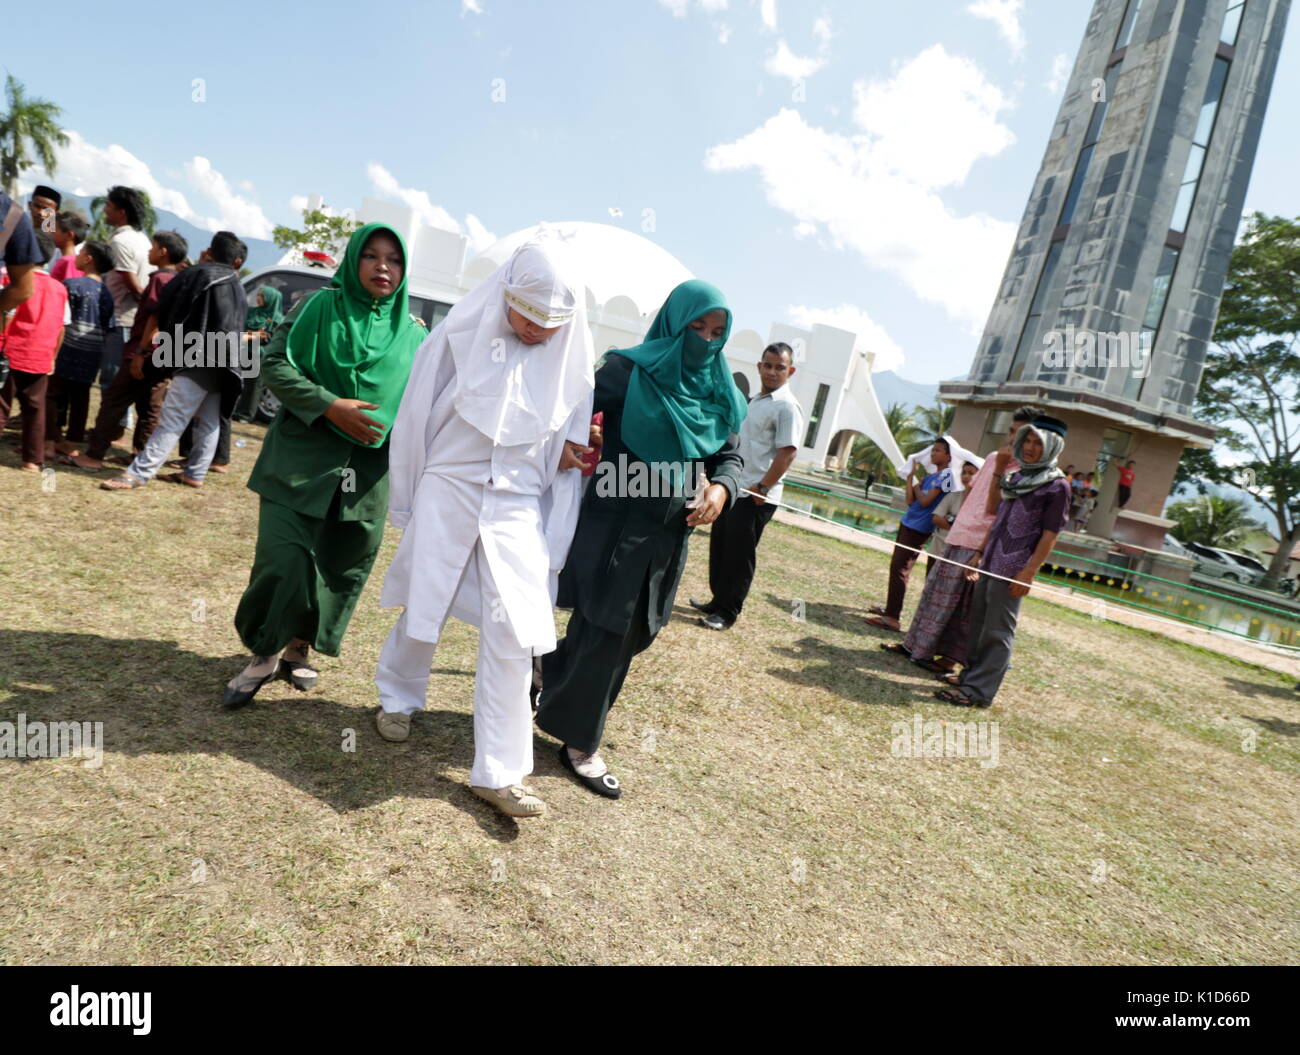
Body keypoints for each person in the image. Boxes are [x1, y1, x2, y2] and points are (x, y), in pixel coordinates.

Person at [376, 239, 595, 820]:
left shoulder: (573, 366)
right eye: (526, 314)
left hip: (517, 504)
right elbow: (417, 417)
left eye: (551, 323)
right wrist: (409, 498)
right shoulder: (455, 337)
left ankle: (498, 771)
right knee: (428, 599)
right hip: (450, 484)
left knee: (516, 632)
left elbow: (563, 451)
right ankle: (397, 697)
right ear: (505, 295)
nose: (535, 330)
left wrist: (567, 462)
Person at [534, 280, 746, 799]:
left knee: (633, 632)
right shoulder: (627, 371)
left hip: (671, 535)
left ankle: (545, 671)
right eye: (695, 327)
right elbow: (567, 410)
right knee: (609, 628)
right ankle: (580, 743)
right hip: (616, 525)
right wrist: (580, 440)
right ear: (673, 322)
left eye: (717, 332)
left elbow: (730, 457)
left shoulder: (720, 390)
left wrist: (722, 488)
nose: (705, 340)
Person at [224, 222, 422, 711]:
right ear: (353, 260)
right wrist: (331, 406)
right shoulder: (319, 307)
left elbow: (433, 402)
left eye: (393, 260)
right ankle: (265, 650)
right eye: (371, 256)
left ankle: (299, 647)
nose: (382, 267)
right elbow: (274, 364)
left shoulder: (417, 335)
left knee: (337, 566)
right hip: (300, 462)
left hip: (368, 476)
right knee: (283, 559)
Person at [882, 406, 1041, 677]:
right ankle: (914, 646)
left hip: (979, 543)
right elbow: (972, 496)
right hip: (958, 536)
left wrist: (1000, 471)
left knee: (958, 606)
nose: (1013, 439)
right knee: (933, 594)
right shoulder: (993, 458)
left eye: (1023, 435)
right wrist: (959, 523)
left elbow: (994, 508)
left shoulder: (1025, 473)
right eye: (1012, 432)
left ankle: (947, 660)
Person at [935, 416, 1072, 708]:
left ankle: (979, 691)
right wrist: (981, 552)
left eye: (1039, 443)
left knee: (998, 630)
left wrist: (1029, 572)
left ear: (1053, 446)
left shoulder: (1057, 486)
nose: (1032, 447)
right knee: (979, 623)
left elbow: (1050, 535)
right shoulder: (1019, 477)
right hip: (991, 558)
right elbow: (996, 515)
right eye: (1029, 440)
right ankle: (969, 677)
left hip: (1014, 568)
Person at [99, 231, 247, 490]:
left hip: (197, 356)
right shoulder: (237, 286)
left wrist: (144, 351)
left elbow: (160, 313)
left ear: (210, 251)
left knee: (173, 417)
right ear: (236, 261)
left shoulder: (200, 274)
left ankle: (138, 473)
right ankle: (195, 473)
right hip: (227, 361)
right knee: (209, 419)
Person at [691, 341, 802, 631]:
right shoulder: (754, 401)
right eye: (768, 365)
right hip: (733, 488)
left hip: (756, 495)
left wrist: (763, 487)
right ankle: (717, 601)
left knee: (740, 555)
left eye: (780, 367)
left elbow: (787, 452)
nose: (773, 372)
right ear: (759, 366)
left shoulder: (787, 406)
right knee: (722, 546)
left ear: (791, 371)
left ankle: (727, 612)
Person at [66, 230, 188, 470]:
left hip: (145, 351)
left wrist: (140, 354)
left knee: (114, 400)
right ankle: (140, 455)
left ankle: (93, 456)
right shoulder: (179, 281)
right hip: (165, 353)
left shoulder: (159, 280)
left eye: (152, 248)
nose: (148, 252)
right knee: (149, 406)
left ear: (163, 252)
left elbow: (154, 318)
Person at [865, 439, 954, 631]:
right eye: (932, 451)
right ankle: (890, 609)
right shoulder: (931, 477)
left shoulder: (946, 477)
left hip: (920, 528)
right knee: (896, 566)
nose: (933, 454)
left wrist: (916, 487)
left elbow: (925, 501)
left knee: (900, 568)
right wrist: (910, 479)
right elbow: (910, 501)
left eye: (938, 451)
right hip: (908, 522)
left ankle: (893, 617)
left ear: (948, 456)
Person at [0, 231, 68, 470]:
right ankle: (32, 460)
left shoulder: (10, 278)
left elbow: (6, 313)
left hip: (11, 351)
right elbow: (61, 327)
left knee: (1, 404)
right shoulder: (60, 289)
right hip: (41, 355)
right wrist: (53, 357)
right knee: (35, 409)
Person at [46, 241, 115, 453]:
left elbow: (60, 319)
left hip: (67, 349)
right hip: (92, 353)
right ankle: (72, 443)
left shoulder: (72, 285)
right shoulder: (107, 294)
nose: (76, 254)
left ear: (89, 259)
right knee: (80, 396)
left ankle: (48, 440)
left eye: (81, 252)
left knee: (52, 392)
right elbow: (109, 326)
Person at [100, 187, 153, 395]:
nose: (104, 210)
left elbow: (131, 281)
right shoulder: (143, 240)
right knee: (119, 375)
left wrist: (147, 301)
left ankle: (111, 426)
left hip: (120, 317)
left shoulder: (121, 242)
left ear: (121, 213)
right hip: (132, 317)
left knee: (112, 376)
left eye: (108, 206)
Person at [232, 286, 284, 423]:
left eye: (262, 296)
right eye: (259, 295)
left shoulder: (277, 319)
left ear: (271, 299)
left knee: (253, 386)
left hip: (260, 355)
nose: (258, 298)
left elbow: (269, 337)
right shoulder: (252, 311)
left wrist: (253, 335)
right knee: (236, 381)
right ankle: (234, 410)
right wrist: (255, 334)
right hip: (244, 349)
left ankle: (246, 415)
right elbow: (241, 328)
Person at [925, 459, 978, 572]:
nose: (966, 476)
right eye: (964, 473)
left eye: (971, 473)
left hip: (961, 555)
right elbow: (936, 518)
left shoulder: (982, 503)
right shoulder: (953, 496)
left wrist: (950, 519)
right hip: (938, 548)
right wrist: (958, 526)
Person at [0, 187, 43, 317]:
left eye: (46, 208)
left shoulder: (12, 215)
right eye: (37, 206)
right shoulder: (14, 214)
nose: (41, 212)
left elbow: (23, 289)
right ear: (30, 205)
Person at [49, 211, 88, 282]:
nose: (50, 232)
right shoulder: (69, 260)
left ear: (69, 235)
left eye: (54, 230)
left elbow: (71, 289)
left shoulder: (69, 262)